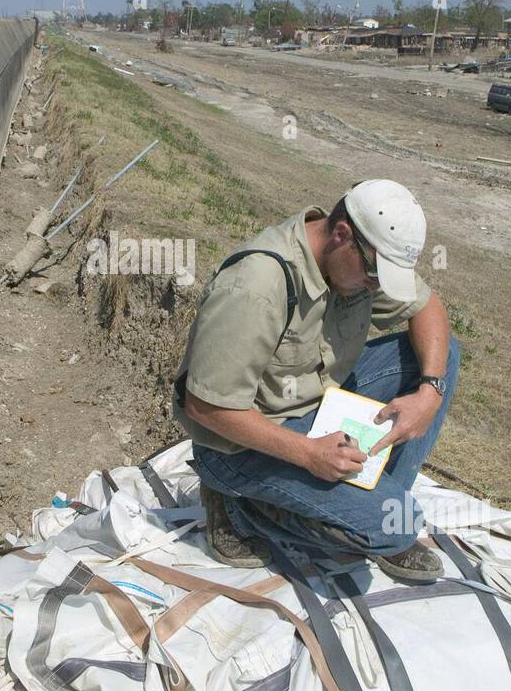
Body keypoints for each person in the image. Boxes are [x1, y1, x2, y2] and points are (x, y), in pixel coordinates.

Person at [172, 180, 460, 581]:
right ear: (342, 235)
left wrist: (430, 391)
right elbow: (205, 407)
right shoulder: (256, 284)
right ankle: (237, 503)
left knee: (443, 355)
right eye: (375, 274)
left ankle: (369, 510)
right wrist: (308, 455)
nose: (377, 287)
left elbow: (427, 306)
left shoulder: (354, 263)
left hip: (317, 406)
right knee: (403, 522)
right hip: (241, 447)